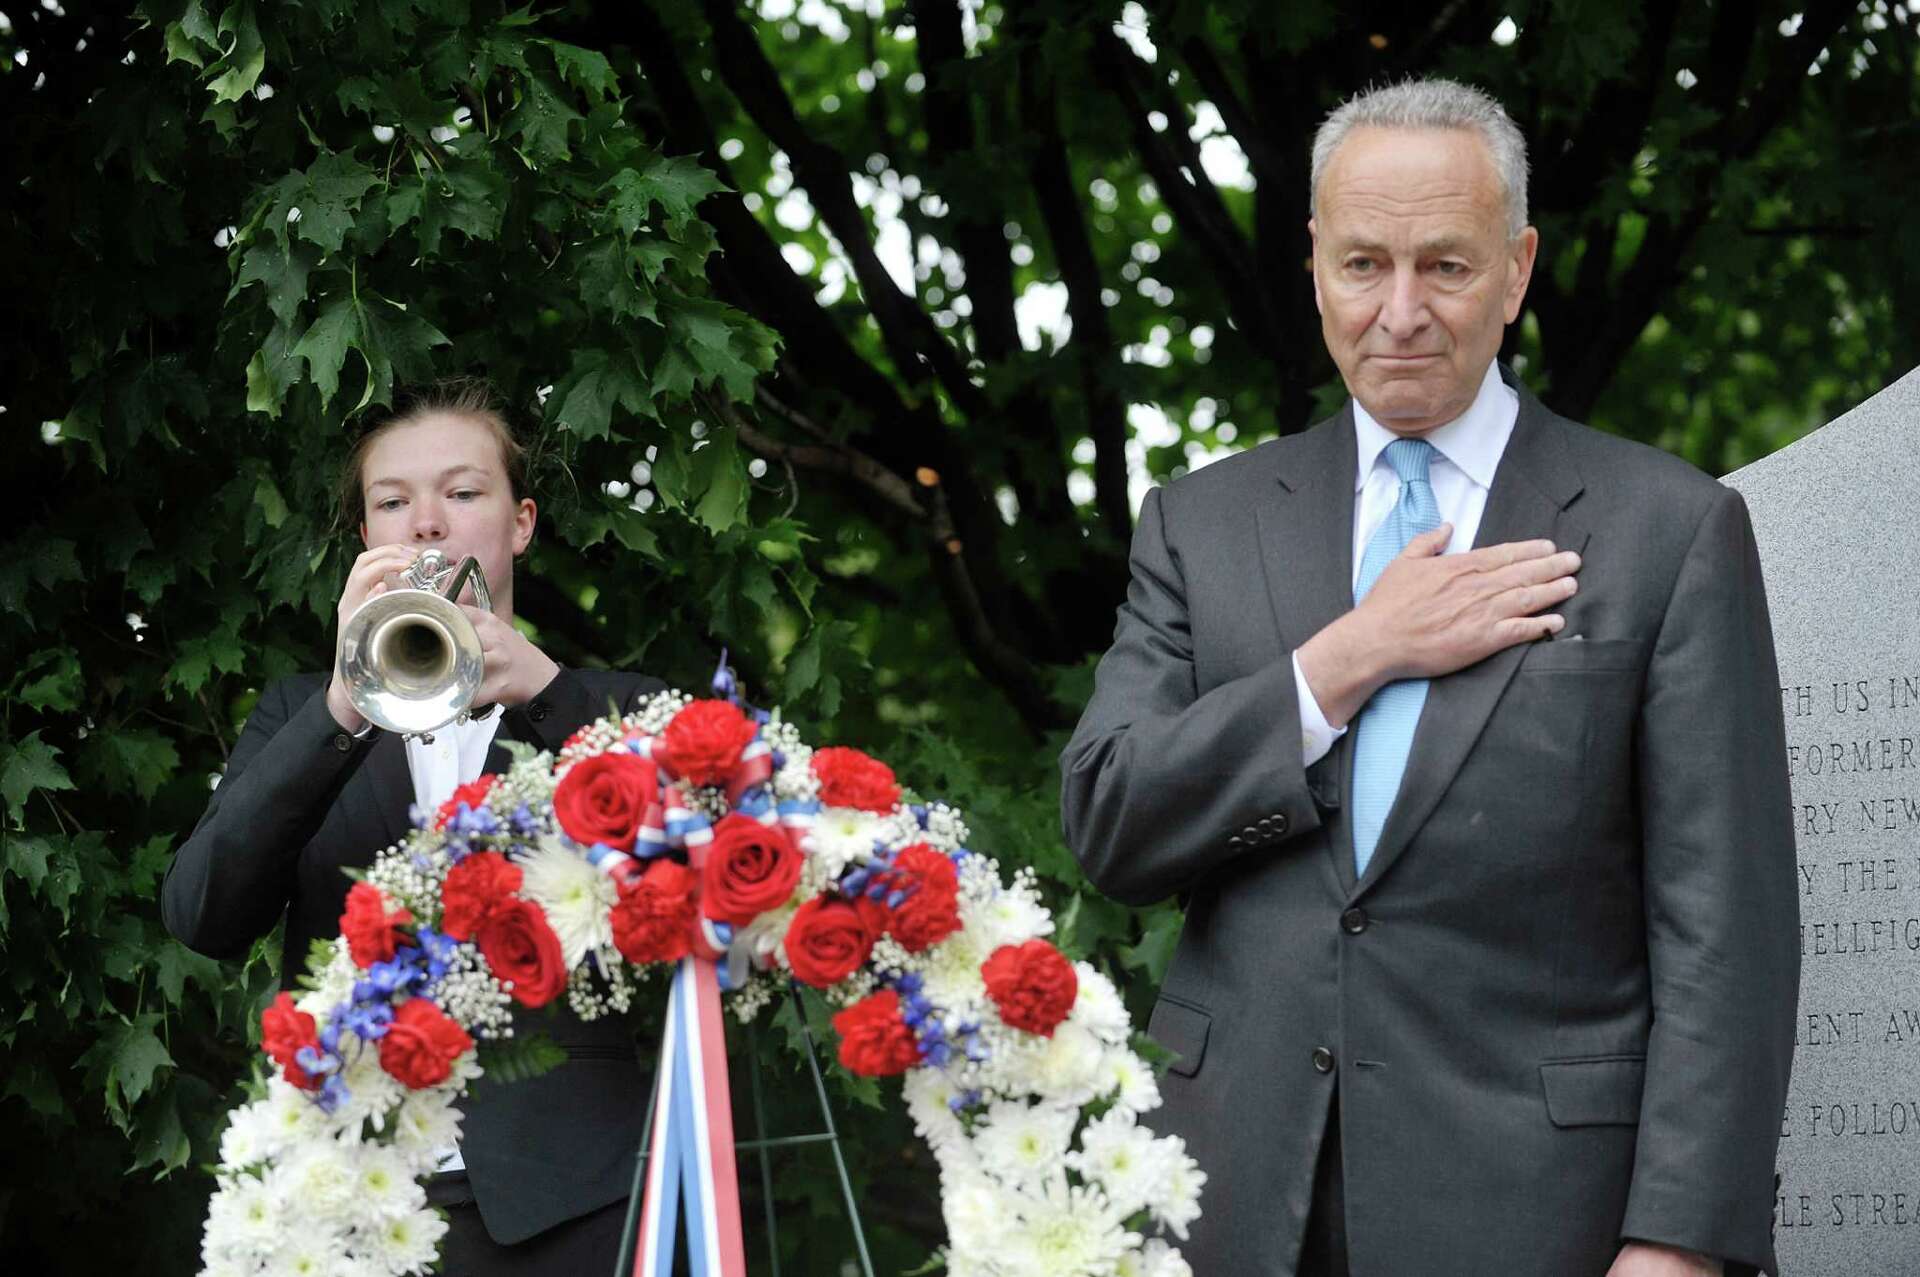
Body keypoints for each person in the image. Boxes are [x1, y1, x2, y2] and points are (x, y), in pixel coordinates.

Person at [1060, 80, 1797, 1277]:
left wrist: (1679, 1242)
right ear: (1313, 265)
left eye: (1445, 267)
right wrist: (1346, 658)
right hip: (1236, 1198)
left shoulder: (1668, 528)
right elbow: (1109, 816)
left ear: (1516, 269)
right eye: (1363, 264)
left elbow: (1726, 931)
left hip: (1537, 1211)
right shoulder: (1202, 522)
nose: (1398, 312)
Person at [163, 381, 662, 1273]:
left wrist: (549, 697)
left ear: (521, 524)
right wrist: (343, 707)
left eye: (463, 493)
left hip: (577, 1198)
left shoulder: (613, 706)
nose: (425, 522)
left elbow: (701, 881)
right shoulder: (300, 714)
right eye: (392, 502)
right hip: (354, 1194)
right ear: (366, 539)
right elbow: (203, 913)